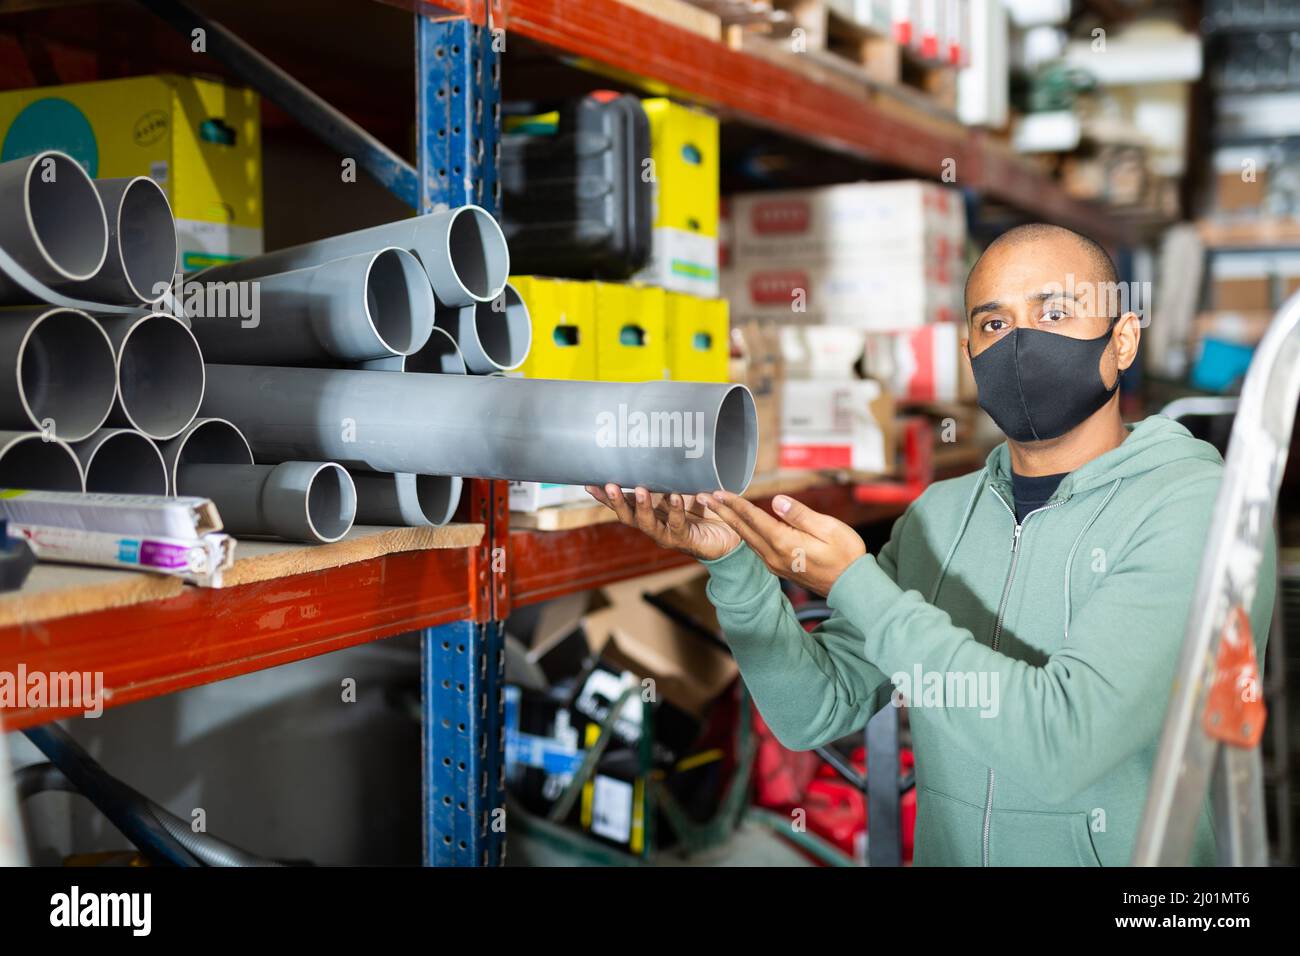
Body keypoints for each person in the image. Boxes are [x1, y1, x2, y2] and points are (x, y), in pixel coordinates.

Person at [586, 223, 1276, 866]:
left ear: (1123, 340)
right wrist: (732, 565)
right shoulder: (939, 517)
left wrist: (855, 582)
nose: (1020, 342)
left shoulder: (1193, 507)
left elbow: (1063, 744)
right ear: (969, 350)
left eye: (1055, 312)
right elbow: (814, 712)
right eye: (995, 323)